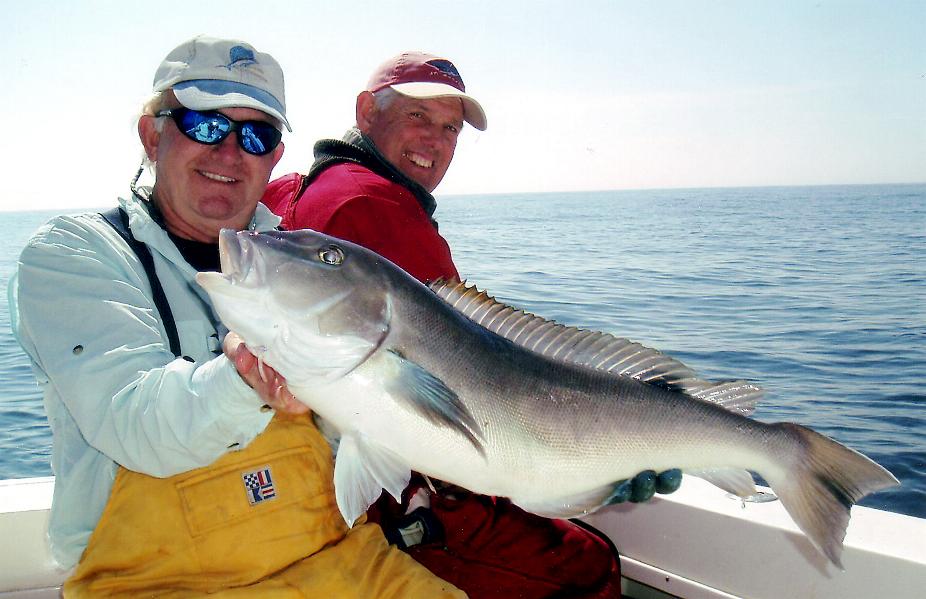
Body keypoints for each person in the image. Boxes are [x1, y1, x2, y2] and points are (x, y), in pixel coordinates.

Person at [9, 37, 463, 598]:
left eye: (256, 136)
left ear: (275, 156)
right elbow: (132, 422)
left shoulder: (300, 257)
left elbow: (358, 422)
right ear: (152, 135)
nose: (229, 152)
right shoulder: (76, 254)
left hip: (335, 556)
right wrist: (246, 378)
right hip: (159, 581)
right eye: (204, 124)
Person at [262, 51, 682, 598]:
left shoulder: (297, 187)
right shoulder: (373, 205)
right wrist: (593, 460)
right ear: (366, 112)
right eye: (417, 116)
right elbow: (461, 380)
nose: (434, 141)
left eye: (450, 129)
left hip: (310, 462)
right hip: (375, 493)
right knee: (587, 563)